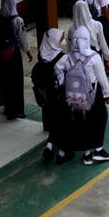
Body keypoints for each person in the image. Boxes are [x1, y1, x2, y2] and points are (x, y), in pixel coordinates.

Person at [54, 28, 109, 165]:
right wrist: (107, 93)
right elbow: (102, 78)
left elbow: (57, 67)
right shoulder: (94, 57)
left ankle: (79, 152)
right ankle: (97, 150)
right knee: (100, 118)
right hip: (92, 93)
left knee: (78, 122)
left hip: (73, 95)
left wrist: (63, 81)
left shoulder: (67, 57)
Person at [0, 0, 33, 120]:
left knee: (3, 80)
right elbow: (23, 39)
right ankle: (17, 110)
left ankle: (7, 106)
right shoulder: (17, 20)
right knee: (15, 81)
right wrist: (28, 52)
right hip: (12, 54)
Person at [34, 28, 69, 164]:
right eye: (61, 38)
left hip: (46, 94)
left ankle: (49, 146)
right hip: (60, 93)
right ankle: (62, 152)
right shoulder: (62, 58)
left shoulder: (41, 55)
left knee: (53, 120)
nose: (63, 40)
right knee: (65, 121)